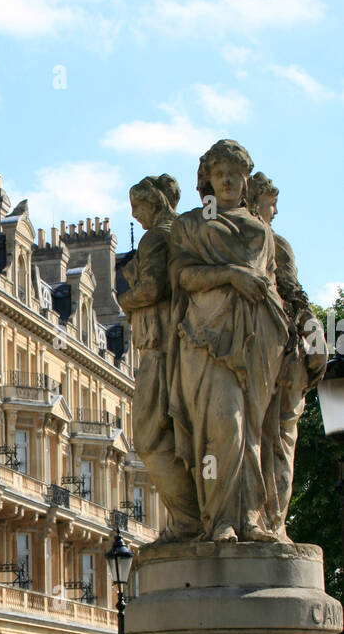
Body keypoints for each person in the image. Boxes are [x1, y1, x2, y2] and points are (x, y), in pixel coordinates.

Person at [167, 140, 290, 542]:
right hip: (204, 337)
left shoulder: (260, 231)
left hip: (257, 340)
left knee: (253, 431)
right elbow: (183, 278)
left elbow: (271, 282)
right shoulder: (192, 225)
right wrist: (231, 276)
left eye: (235, 174)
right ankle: (218, 518)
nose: (227, 180)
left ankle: (251, 516)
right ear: (207, 178)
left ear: (245, 180)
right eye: (219, 173)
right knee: (222, 425)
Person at [246, 171, 327, 539]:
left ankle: (273, 522)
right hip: (253, 353)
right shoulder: (244, 244)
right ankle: (257, 518)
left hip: (282, 353)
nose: (274, 211)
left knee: (276, 442)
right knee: (260, 441)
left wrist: (314, 338)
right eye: (269, 202)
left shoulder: (276, 245)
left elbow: (295, 296)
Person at [121, 174, 201, 540]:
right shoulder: (187, 235)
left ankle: (187, 521)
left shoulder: (157, 236)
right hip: (186, 348)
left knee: (149, 438)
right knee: (185, 434)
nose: (136, 216)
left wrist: (125, 301)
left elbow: (152, 287)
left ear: (153, 202)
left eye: (138, 207)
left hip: (157, 346)